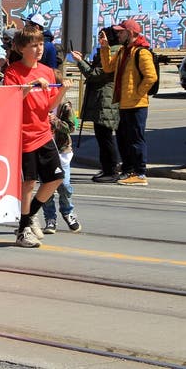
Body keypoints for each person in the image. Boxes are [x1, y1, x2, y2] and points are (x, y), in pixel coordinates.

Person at [2, 24, 70, 248]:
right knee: (29, 182)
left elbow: (50, 106)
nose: (39, 49)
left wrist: (62, 91)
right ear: (22, 48)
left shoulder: (47, 71)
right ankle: (23, 230)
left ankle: (29, 216)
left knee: (55, 177)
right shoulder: (13, 71)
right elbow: (9, 101)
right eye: (33, 45)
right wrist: (29, 86)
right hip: (23, 135)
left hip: (43, 133)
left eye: (41, 44)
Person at [99, 19, 157, 186]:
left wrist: (137, 94)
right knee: (124, 139)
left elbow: (151, 77)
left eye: (121, 32)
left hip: (137, 104)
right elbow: (109, 68)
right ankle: (128, 170)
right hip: (124, 103)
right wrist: (104, 48)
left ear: (130, 33)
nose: (118, 34)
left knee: (136, 139)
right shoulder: (124, 51)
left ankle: (140, 173)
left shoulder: (141, 52)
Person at [71, 47, 121, 182]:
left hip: (105, 101)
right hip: (101, 101)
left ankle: (111, 170)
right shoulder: (106, 52)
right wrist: (83, 61)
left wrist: (80, 61)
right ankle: (107, 168)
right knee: (102, 137)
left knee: (105, 137)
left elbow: (95, 75)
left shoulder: (111, 53)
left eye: (102, 37)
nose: (100, 40)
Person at [41, 90, 81, 234]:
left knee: (64, 185)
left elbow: (71, 127)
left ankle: (67, 211)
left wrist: (55, 121)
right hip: (44, 151)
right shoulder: (40, 104)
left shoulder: (65, 106)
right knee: (47, 188)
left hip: (62, 151)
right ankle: (50, 219)